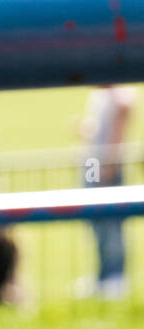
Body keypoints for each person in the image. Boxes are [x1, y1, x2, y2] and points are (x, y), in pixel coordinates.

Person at [77, 84, 137, 299]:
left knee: (110, 224)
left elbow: (123, 112)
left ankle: (114, 279)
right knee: (97, 223)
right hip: (95, 165)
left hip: (105, 167)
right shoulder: (100, 95)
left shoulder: (120, 94)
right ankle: (103, 276)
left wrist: (109, 164)